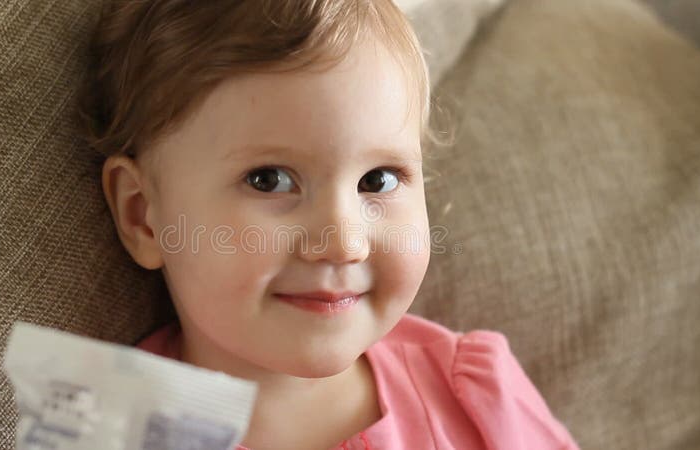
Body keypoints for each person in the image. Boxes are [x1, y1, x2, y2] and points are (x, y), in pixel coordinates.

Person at [76, 1, 581, 448]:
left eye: (378, 180)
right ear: (144, 216)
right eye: (269, 180)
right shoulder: (112, 427)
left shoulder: (473, 398)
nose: (343, 242)